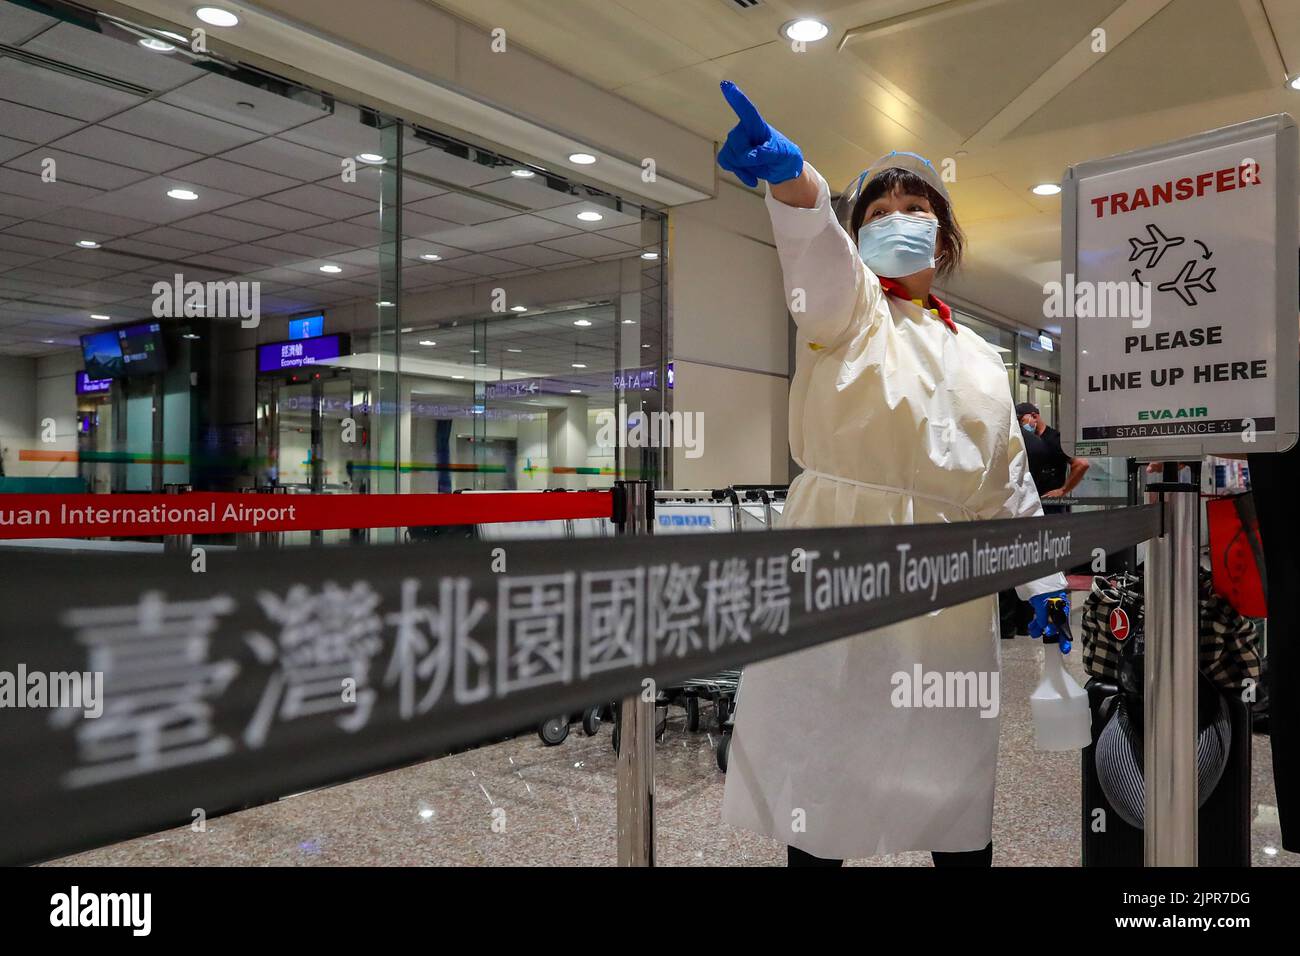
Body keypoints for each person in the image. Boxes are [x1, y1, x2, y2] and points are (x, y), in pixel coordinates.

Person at [714, 81, 1068, 866]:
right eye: (876, 212)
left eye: (915, 209)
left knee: (951, 781)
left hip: (949, 595)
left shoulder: (981, 358)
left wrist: (1044, 590)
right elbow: (818, 258)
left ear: (943, 238)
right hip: (843, 568)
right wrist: (795, 181)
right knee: (825, 774)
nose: (896, 221)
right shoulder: (846, 315)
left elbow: (1008, 488)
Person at [1015, 402, 1089, 512]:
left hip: (1051, 507)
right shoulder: (1027, 441)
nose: (1021, 426)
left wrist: (1063, 490)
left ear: (1034, 416)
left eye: (1021, 421)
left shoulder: (1055, 439)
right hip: (1031, 504)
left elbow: (1082, 463)